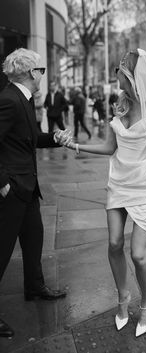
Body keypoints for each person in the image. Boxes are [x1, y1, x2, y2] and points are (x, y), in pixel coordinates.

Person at [58, 49, 146, 337]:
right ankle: (122, 299)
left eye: (119, 70)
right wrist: (75, 147)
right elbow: (110, 148)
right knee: (114, 243)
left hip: (144, 184)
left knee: (139, 254)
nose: (115, 75)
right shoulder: (121, 105)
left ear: (129, 74)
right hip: (118, 181)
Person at [0, 48, 67, 338]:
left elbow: (28, 139)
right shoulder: (8, 100)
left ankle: (35, 287)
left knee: (34, 238)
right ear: (31, 73)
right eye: (40, 69)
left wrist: (55, 138)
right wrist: (2, 182)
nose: (43, 74)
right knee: (1, 252)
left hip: (28, 187)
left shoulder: (23, 100)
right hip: (12, 189)